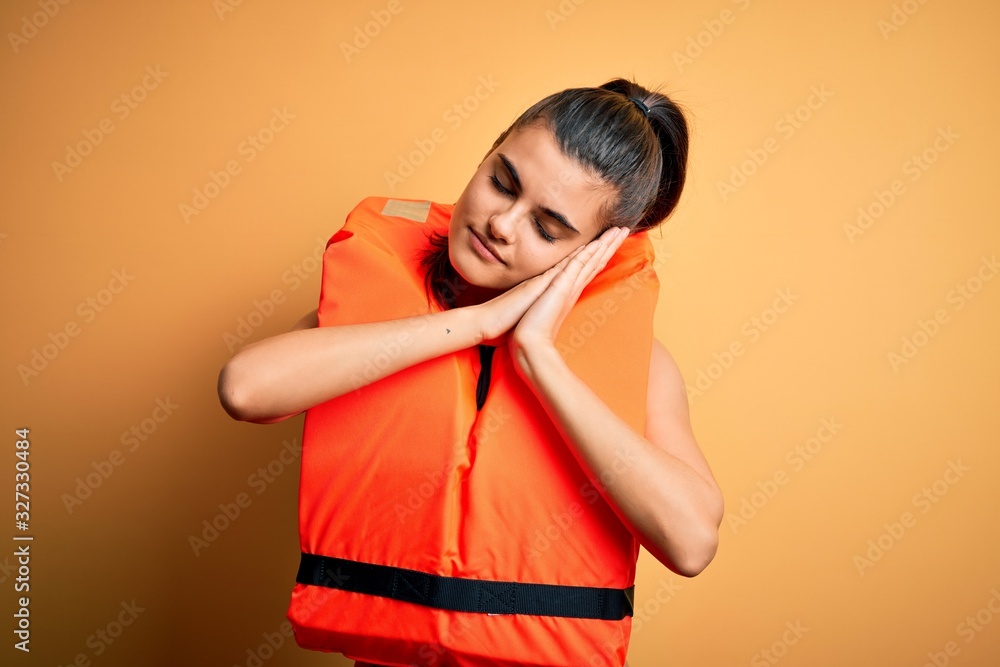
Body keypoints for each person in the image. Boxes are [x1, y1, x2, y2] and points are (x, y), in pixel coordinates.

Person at [218, 77, 723, 666]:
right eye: (501, 182)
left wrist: (538, 356)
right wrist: (481, 324)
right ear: (488, 152)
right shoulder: (388, 308)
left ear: (597, 252)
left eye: (548, 227)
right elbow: (245, 388)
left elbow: (691, 542)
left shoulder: (636, 364)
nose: (502, 224)